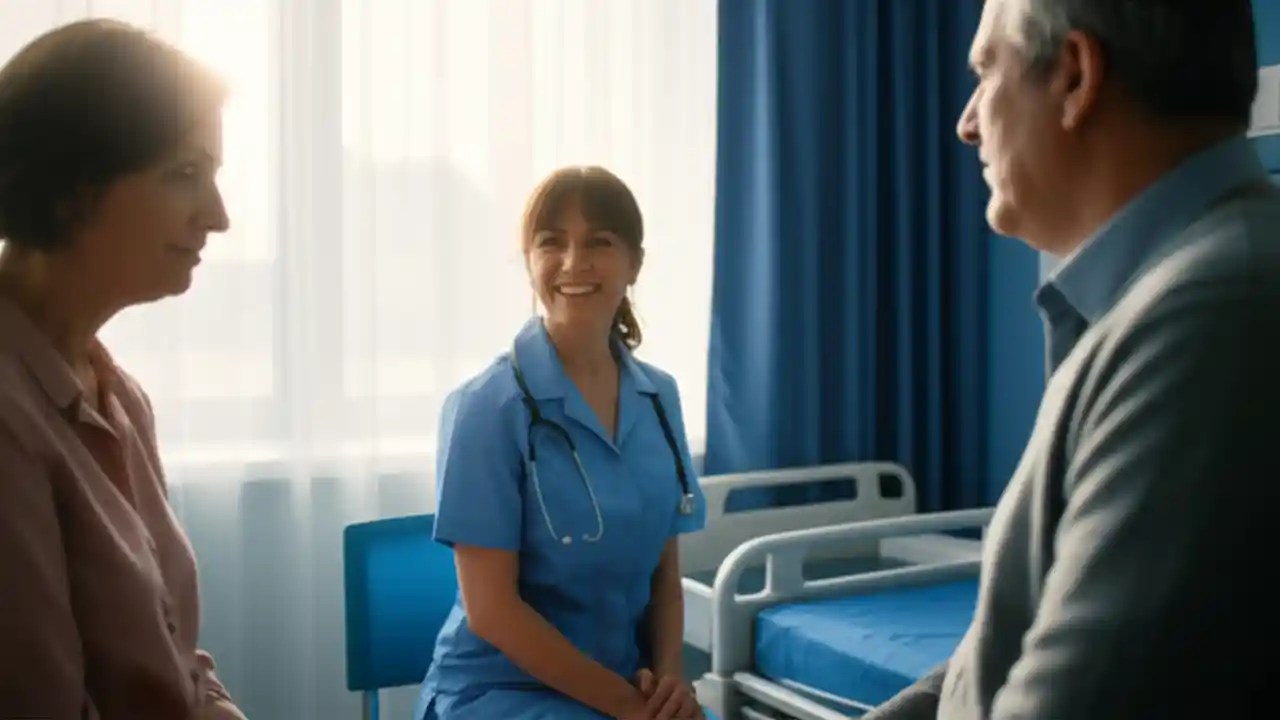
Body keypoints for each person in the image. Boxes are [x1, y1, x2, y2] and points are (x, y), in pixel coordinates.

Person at [863, 0, 1280, 718]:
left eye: (987, 71)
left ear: (1075, 77)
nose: (967, 124)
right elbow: (998, 658)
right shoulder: (1158, 301)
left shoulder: (1211, 316)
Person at [0, 19, 245, 720]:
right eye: (185, 174)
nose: (219, 217)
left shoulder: (119, 397)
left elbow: (177, 667)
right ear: (72, 183)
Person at [413, 166, 708, 720]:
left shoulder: (659, 398)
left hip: (624, 684)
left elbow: (664, 575)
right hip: (500, 691)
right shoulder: (487, 407)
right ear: (530, 261)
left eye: (599, 242)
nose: (574, 263)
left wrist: (670, 679)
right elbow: (492, 611)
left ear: (634, 263)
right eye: (552, 242)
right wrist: (627, 707)